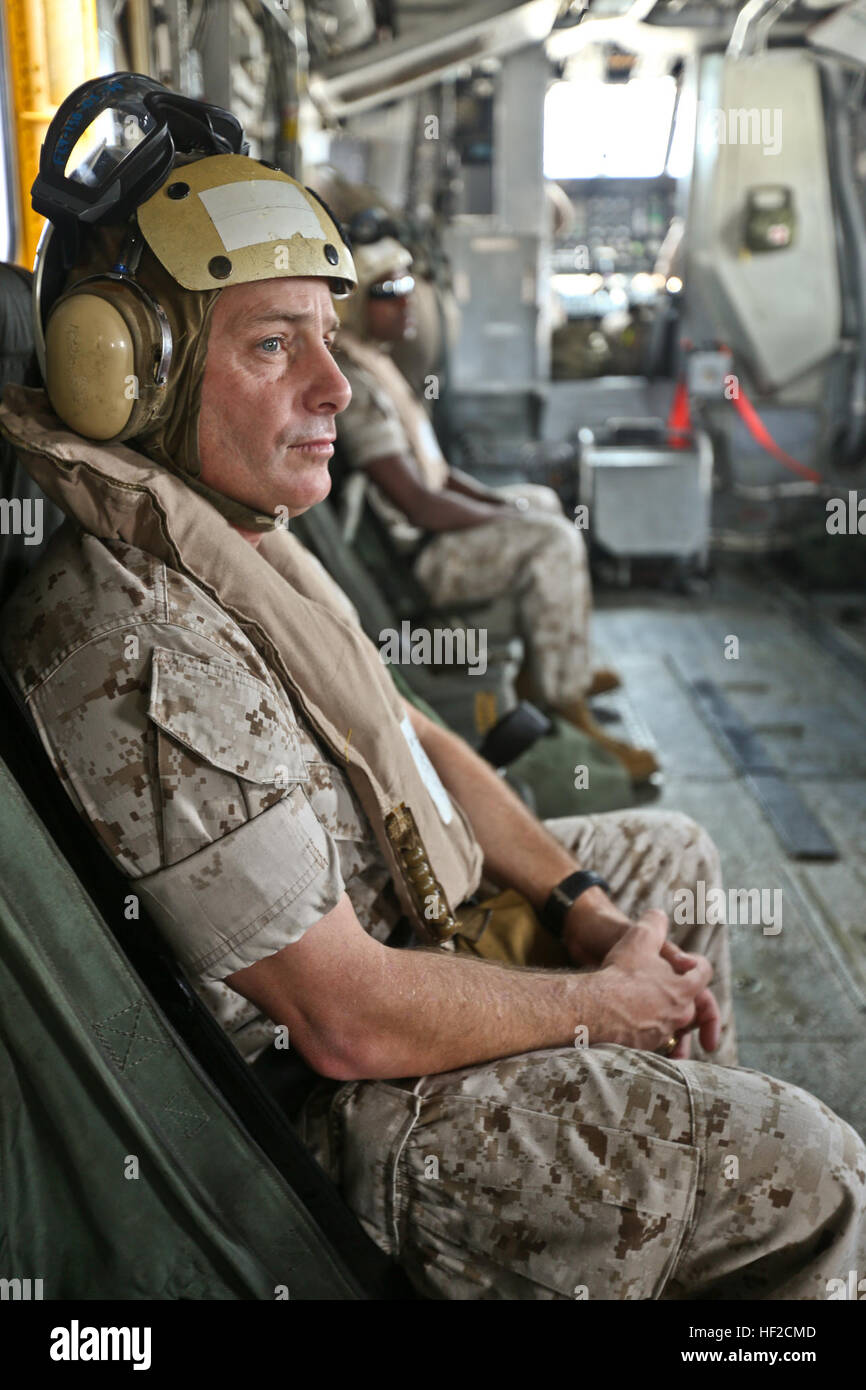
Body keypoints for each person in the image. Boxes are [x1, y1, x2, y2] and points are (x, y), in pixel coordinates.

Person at [1, 79, 864, 1301]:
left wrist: (581, 912)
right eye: (269, 344)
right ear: (121, 374)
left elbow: (405, 738)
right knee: (812, 1169)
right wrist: (600, 1008)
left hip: (406, 923)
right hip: (333, 1118)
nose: (335, 389)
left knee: (664, 858)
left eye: (325, 333)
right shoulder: (132, 643)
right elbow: (344, 1020)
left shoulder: (238, 540)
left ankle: (679, 1183)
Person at [334, 213, 660, 785]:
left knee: (537, 501)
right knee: (551, 540)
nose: (407, 303)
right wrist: (498, 519)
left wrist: (505, 508)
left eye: (408, 288)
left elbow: (436, 474)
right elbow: (418, 504)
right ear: (357, 303)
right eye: (388, 293)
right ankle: (566, 705)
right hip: (424, 560)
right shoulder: (353, 385)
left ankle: (559, 668)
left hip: (433, 531)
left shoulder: (379, 364)